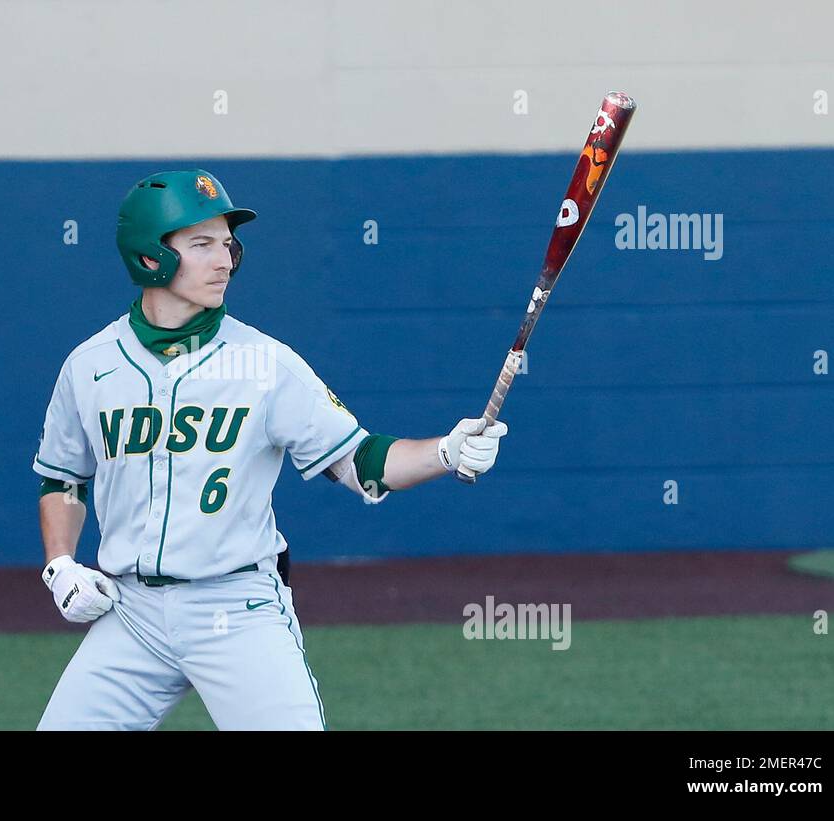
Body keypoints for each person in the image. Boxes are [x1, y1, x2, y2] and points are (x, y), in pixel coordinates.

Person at [32, 169, 506, 730]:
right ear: (148, 255)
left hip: (237, 609)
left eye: (227, 244)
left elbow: (362, 463)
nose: (224, 259)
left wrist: (446, 453)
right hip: (130, 613)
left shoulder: (265, 363)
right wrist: (60, 562)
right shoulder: (90, 366)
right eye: (201, 244)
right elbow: (62, 478)